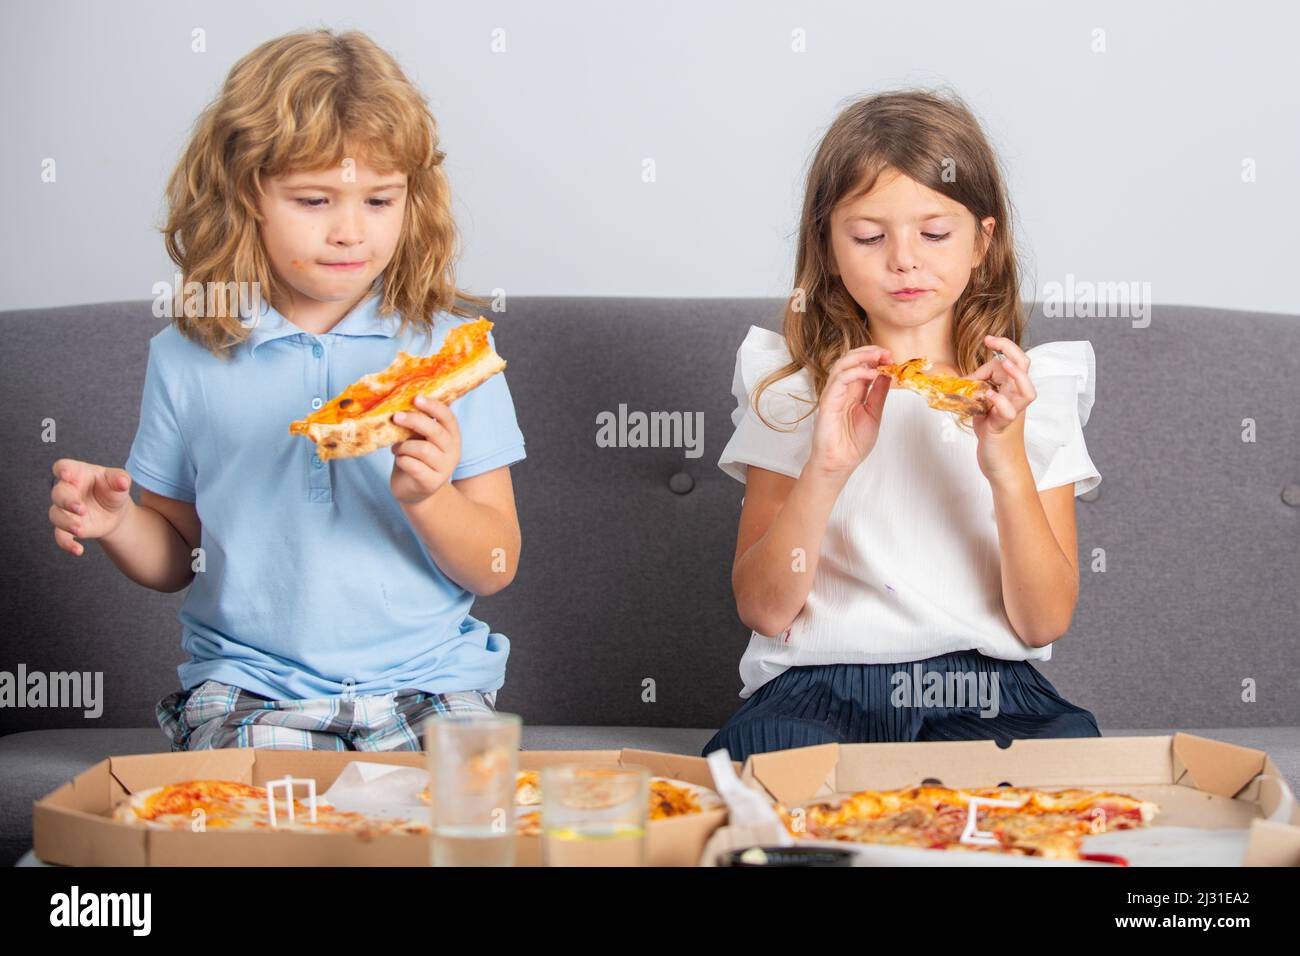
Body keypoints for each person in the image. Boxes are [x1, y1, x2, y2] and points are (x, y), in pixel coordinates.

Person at [47, 29, 525, 751]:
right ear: (244, 195)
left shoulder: (447, 351)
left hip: (430, 681)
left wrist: (431, 498)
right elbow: (179, 553)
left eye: (379, 200)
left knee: (464, 839)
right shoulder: (188, 356)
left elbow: (496, 564)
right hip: (252, 687)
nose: (349, 231)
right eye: (314, 199)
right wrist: (115, 525)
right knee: (268, 840)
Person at [703, 89, 1102, 763]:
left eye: (935, 233)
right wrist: (826, 469)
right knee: (760, 767)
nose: (904, 259)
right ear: (828, 248)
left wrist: (1007, 466)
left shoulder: (1030, 399)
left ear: (982, 241)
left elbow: (1044, 619)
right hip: (815, 685)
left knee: (1066, 765)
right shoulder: (791, 391)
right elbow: (765, 610)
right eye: (868, 236)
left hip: (987, 688)